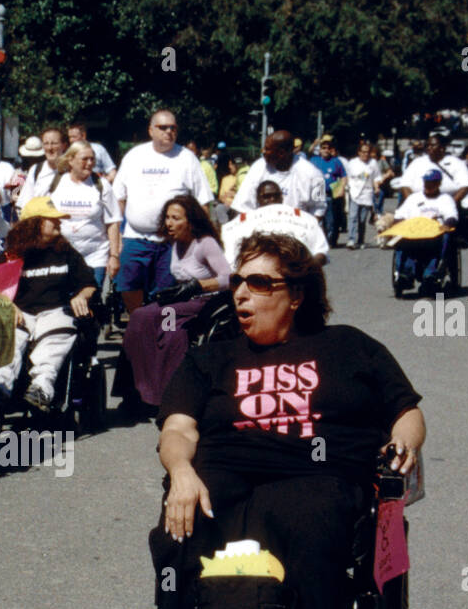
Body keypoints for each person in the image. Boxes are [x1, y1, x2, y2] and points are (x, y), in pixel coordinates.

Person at [148, 230, 425, 609]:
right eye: (237, 281)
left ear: (296, 294)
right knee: (180, 524)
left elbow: (405, 410)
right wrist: (182, 473)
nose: (239, 293)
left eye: (258, 283)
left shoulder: (347, 346)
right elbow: (178, 429)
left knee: (308, 515)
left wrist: (405, 442)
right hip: (226, 474)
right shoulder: (210, 358)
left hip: (316, 474)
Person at [0, 196, 97, 412]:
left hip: (55, 312)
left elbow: (89, 283)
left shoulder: (65, 252)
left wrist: (81, 296)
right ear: (35, 223)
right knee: (10, 339)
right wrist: (8, 306)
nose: (59, 223)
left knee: (54, 339)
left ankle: (41, 389)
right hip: (20, 313)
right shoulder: (12, 253)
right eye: (52, 219)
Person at [121, 194, 230, 409]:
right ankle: (134, 389)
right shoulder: (175, 244)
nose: (169, 223)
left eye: (176, 218)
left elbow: (228, 277)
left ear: (190, 220)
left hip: (204, 302)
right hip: (179, 305)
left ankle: (163, 394)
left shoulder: (205, 243)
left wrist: (199, 285)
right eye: (168, 217)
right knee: (144, 320)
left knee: (158, 318)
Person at [112, 109, 213, 315]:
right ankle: (136, 324)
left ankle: (163, 332)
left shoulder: (187, 158)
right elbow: (118, 199)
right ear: (150, 130)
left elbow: (203, 202)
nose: (168, 131)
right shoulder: (134, 156)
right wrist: (118, 236)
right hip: (135, 238)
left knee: (168, 293)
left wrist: (200, 238)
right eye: (163, 127)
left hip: (172, 243)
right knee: (129, 286)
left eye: (173, 128)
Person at [45, 140, 122, 289]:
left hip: (95, 256)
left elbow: (112, 222)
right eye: (84, 159)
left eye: (92, 159)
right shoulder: (56, 183)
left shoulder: (101, 185)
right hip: (61, 255)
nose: (89, 163)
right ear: (71, 160)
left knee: (92, 299)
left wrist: (114, 256)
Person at [221, 181, 329, 268]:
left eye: (276, 195)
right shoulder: (241, 222)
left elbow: (321, 252)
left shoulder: (306, 218)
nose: (272, 200)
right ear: (258, 199)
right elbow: (230, 260)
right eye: (266, 196)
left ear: (282, 197)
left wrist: (305, 268)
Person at [232, 130, 327, 224]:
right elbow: (242, 206)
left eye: (267, 149)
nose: (263, 152)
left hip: (297, 233)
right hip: (261, 231)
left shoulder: (315, 175)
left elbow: (319, 211)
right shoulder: (258, 167)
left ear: (281, 153)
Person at [391, 170, 458, 294]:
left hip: (434, 235)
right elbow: (400, 214)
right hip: (413, 234)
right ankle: (405, 274)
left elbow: (451, 215)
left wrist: (447, 224)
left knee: (446, 238)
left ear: (438, 184)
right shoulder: (414, 198)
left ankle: (431, 274)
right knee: (399, 238)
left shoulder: (445, 199)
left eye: (431, 183)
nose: (427, 186)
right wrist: (397, 224)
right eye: (426, 183)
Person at [15, 126, 69, 210]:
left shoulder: (73, 170)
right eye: (46, 143)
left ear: (64, 146)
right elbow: (25, 205)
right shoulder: (35, 170)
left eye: (54, 143)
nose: (50, 148)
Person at [310, 136, 347, 247]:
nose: (326, 150)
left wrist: (341, 188)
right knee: (317, 219)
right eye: (323, 148)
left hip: (331, 193)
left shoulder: (336, 161)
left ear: (331, 150)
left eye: (328, 148)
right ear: (320, 150)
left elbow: (344, 176)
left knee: (331, 220)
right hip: (317, 191)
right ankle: (318, 241)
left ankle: (330, 240)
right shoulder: (314, 160)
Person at [344, 141, 381, 250]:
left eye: (367, 152)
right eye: (363, 152)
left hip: (367, 194)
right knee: (352, 217)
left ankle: (360, 240)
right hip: (354, 193)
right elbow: (347, 176)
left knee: (362, 219)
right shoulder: (352, 163)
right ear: (359, 152)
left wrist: (376, 187)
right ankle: (351, 239)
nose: (365, 154)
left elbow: (376, 177)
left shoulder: (373, 163)